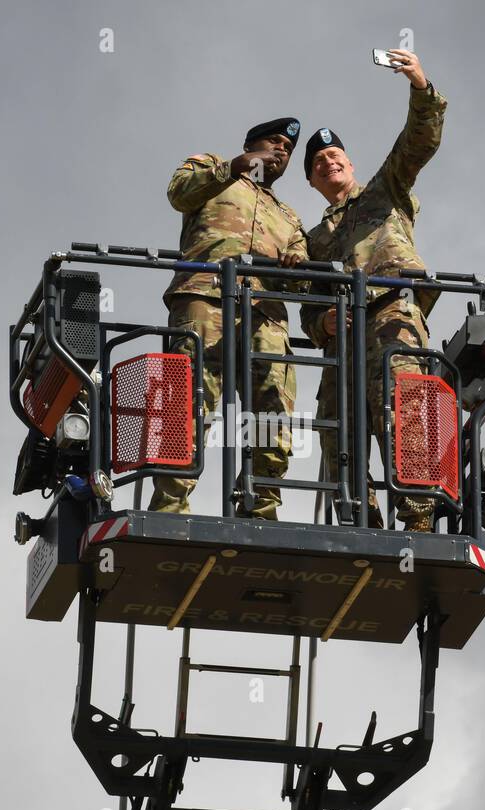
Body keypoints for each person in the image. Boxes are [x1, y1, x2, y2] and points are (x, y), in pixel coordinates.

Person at [300, 50, 446, 532]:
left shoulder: (385, 191)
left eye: (334, 154)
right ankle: (361, 518)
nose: (328, 161)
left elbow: (417, 144)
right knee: (335, 431)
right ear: (312, 179)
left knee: (406, 408)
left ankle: (419, 518)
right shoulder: (313, 241)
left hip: (391, 314)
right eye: (318, 161)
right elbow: (308, 304)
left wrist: (420, 87)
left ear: (349, 161)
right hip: (342, 341)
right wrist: (320, 323)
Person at [149, 118, 308, 520]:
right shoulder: (212, 167)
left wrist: (296, 265)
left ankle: (260, 510)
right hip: (206, 299)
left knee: (272, 412)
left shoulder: (288, 216)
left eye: (287, 149)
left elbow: (305, 277)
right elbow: (178, 194)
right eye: (273, 142)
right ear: (250, 144)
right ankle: (170, 510)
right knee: (189, 401)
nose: (280, 151)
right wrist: (234, 166)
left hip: (264, 314)